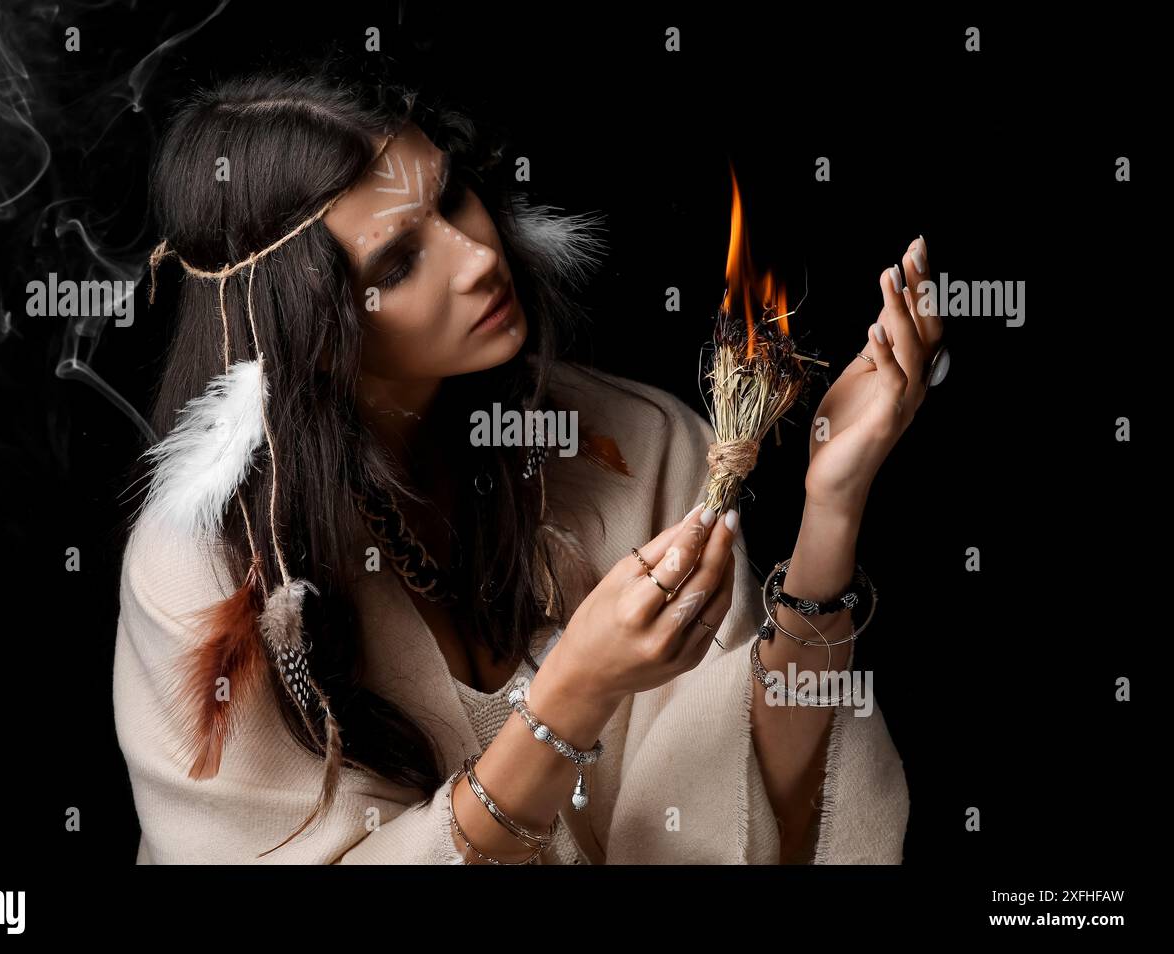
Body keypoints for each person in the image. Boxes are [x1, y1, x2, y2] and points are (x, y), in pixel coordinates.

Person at [114, 53, 933, 864]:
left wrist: (833, 507)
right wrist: (573, 694)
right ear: (309, 333)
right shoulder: (204, 572)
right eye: (398, 264)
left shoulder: (637, 445)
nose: (477, 257)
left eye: (454, 197)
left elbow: (758, 817)